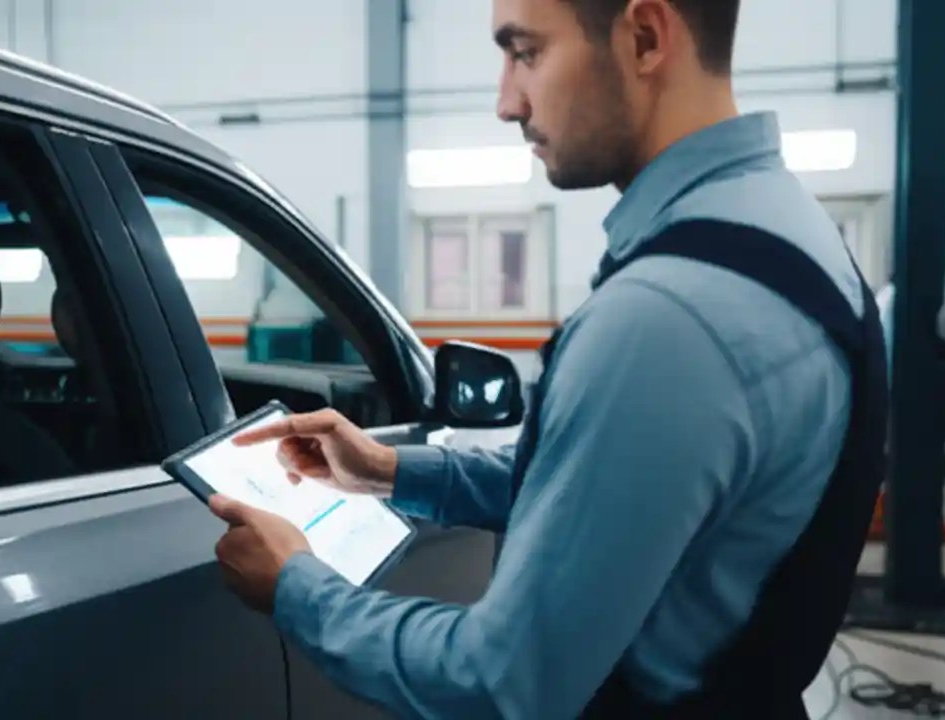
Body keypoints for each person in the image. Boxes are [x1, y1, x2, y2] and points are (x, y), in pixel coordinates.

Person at [207, 0, 887, 718]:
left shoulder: (664, 317)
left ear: (645, 37)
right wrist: (388, 470)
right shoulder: (785, 231)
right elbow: (607, 483)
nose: (507, 102)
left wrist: (296, 586)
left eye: (526, 53)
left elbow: (499, 682)